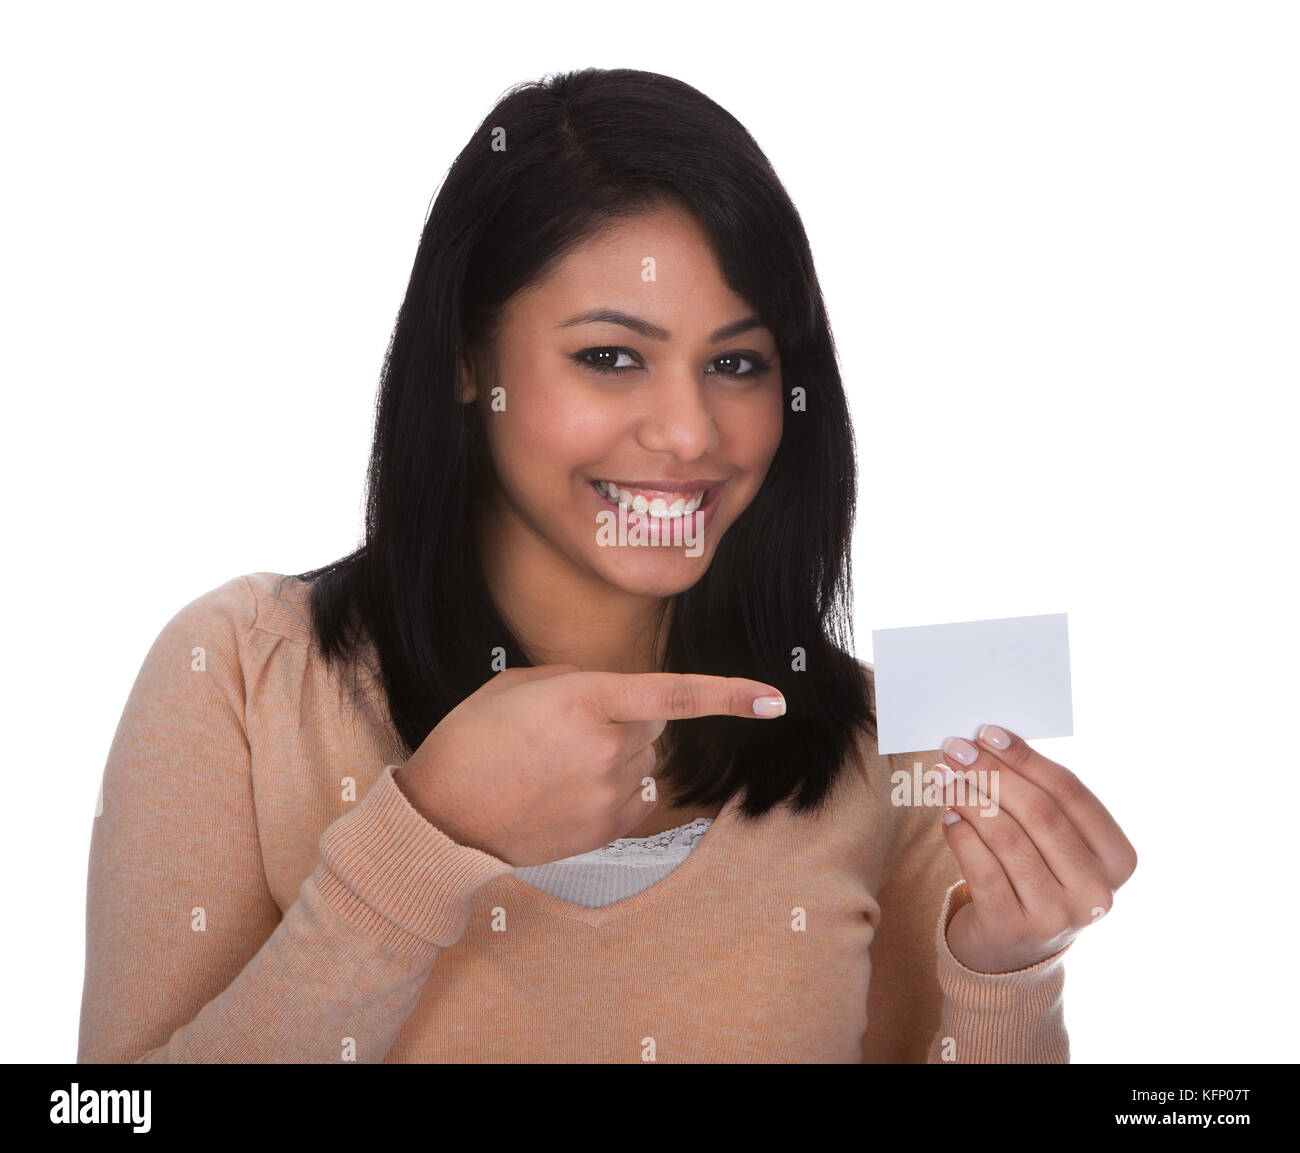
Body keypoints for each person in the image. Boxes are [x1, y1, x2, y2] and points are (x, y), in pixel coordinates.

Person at [77, 67, 1136, 1063]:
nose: (686, 432)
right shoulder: (243, 672)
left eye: (736, 363)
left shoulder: (873, 745)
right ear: (466, 358)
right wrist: (424, 842)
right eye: (610, 356)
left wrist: (1004, 974)